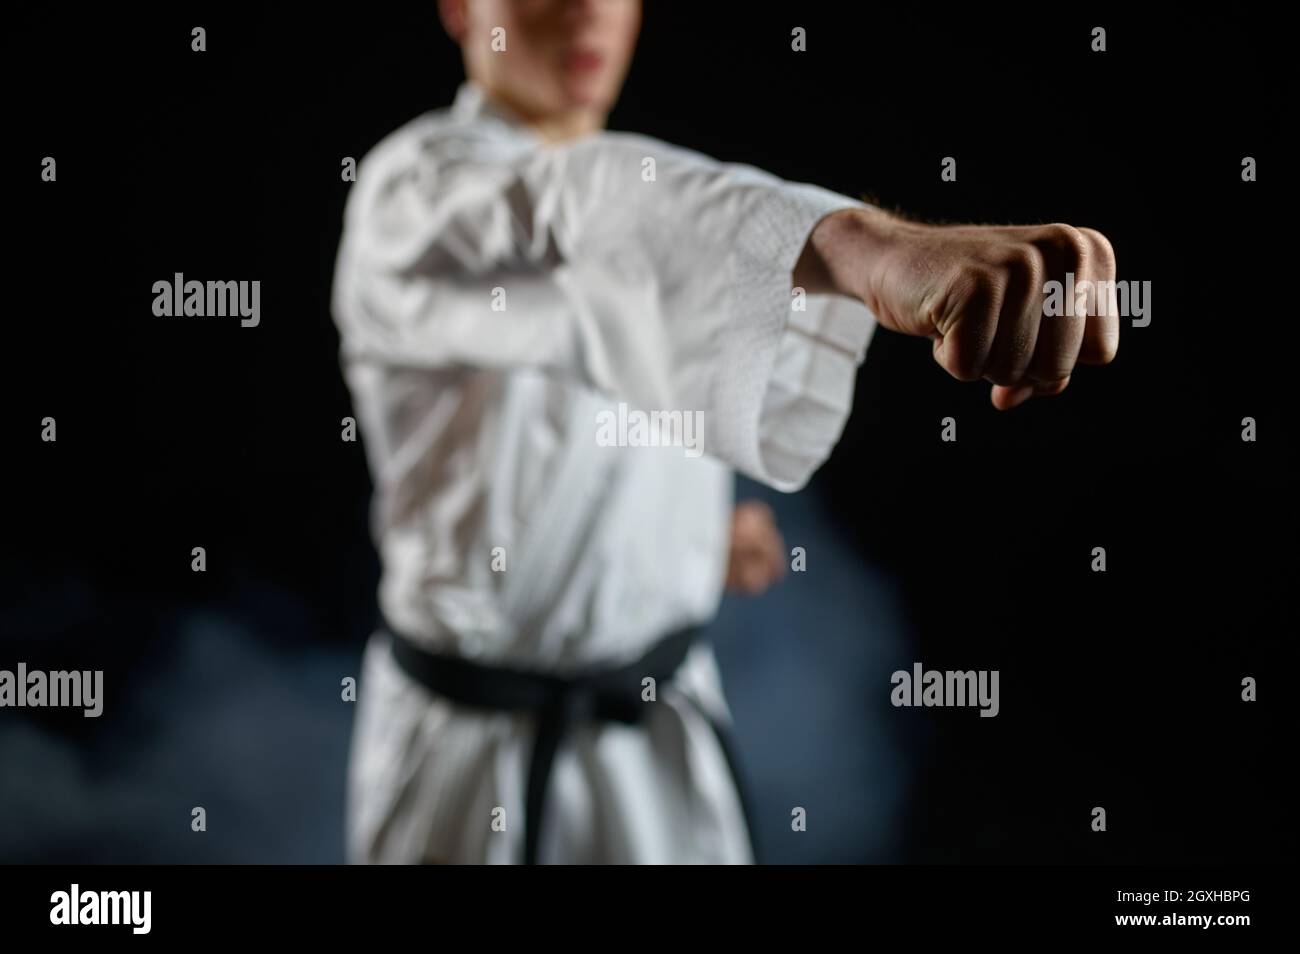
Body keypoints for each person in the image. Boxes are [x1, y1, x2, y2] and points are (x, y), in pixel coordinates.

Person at [331, 0, 1118, 864]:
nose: (590, 12)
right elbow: (570, 207)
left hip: (661, 733)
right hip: (470, 766)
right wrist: (860, 246)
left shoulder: (650, 220)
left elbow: (605, 352)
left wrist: (685, 546)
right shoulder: (411, 194)